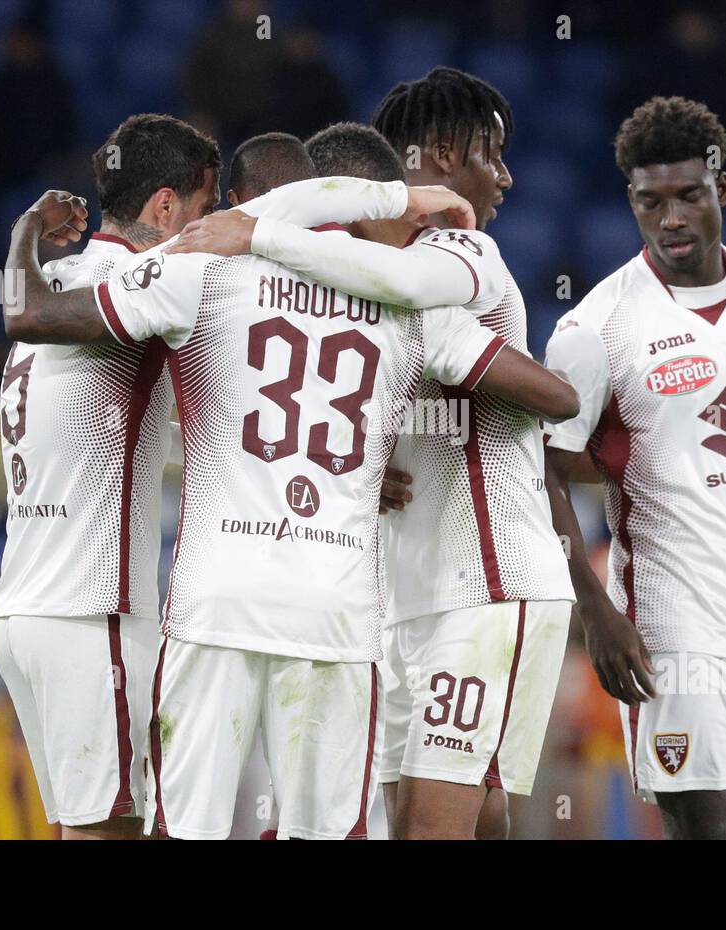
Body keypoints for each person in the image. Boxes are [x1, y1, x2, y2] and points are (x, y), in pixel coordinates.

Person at [1, 150, 578, 838]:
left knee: (184, 828)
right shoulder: (409, 299)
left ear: (244, 201)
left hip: (218, 601)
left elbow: (36, 316)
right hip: (335, 610)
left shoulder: (202, 268)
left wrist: (30, 230)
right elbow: (556, 397)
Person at [174, 71, 573, 840]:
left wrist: (255, 232)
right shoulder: (338, 285)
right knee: (436, 816)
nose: (507, 176)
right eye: (496, 155)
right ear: (449, 154)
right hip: (397, 594)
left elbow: (410, 290)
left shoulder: (462, 251)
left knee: (432, 823)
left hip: (485, 582)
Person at [543, 96, 726, 839]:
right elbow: (540, 469)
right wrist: (593, 607)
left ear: (720, 191)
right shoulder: (596, 326)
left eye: (687, 196)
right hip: (668, 628)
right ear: (632, 203)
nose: (670, 217)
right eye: (650, 201)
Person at [0, 112, 221, 840]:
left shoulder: (57, 281)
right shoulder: (143, 282)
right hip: (94, 613)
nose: (210, 228)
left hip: (24, 609)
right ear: (163, 206)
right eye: (206, 208)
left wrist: (27, 226)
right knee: (114, 832)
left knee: (83, 828)